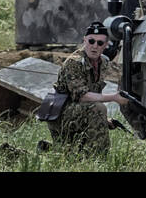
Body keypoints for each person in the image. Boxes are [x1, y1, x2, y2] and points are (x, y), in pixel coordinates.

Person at [45, 21, 128, 155]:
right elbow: (82, 96)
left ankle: (47, 149)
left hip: (78, 112)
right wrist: (114, 98)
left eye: (100, 43)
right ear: (85, 40)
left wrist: (103, 120)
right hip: (60, 114)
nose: (94, 46)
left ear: (105, 45)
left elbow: (114, 76)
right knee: (99, 108)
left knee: (69, 154)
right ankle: (99, 158)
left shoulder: (103, 63)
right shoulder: (75, 62)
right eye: (91, 41)